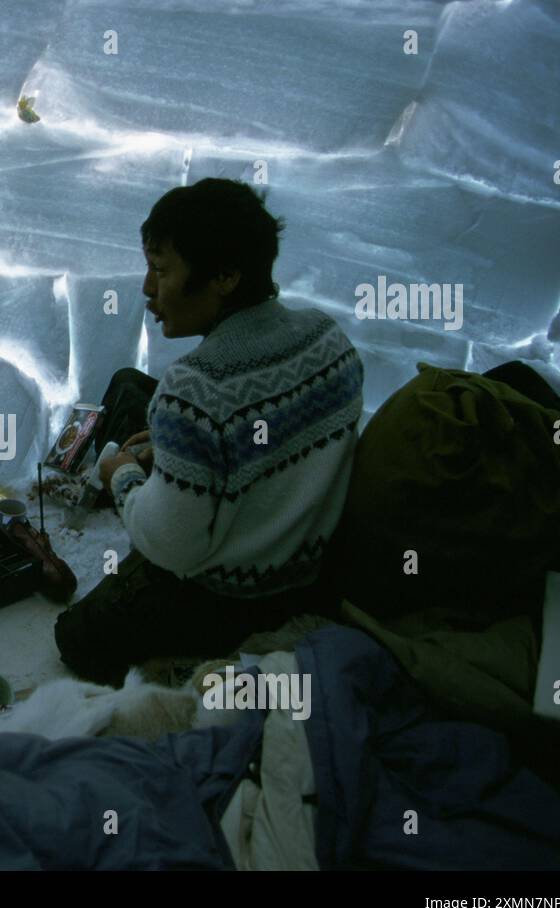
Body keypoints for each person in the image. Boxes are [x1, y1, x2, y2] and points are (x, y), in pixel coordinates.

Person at [55, 178, 365, 685]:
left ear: (224, 276)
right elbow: (270, 435)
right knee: (131, 387)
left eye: (161, 270)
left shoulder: (195, 388)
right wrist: (175, 451)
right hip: (307, 564)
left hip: (235, 596)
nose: (148, 289)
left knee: (77, 637)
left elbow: (174, 548)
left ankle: (184, 661)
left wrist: (125, 478)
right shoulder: (327, 339)